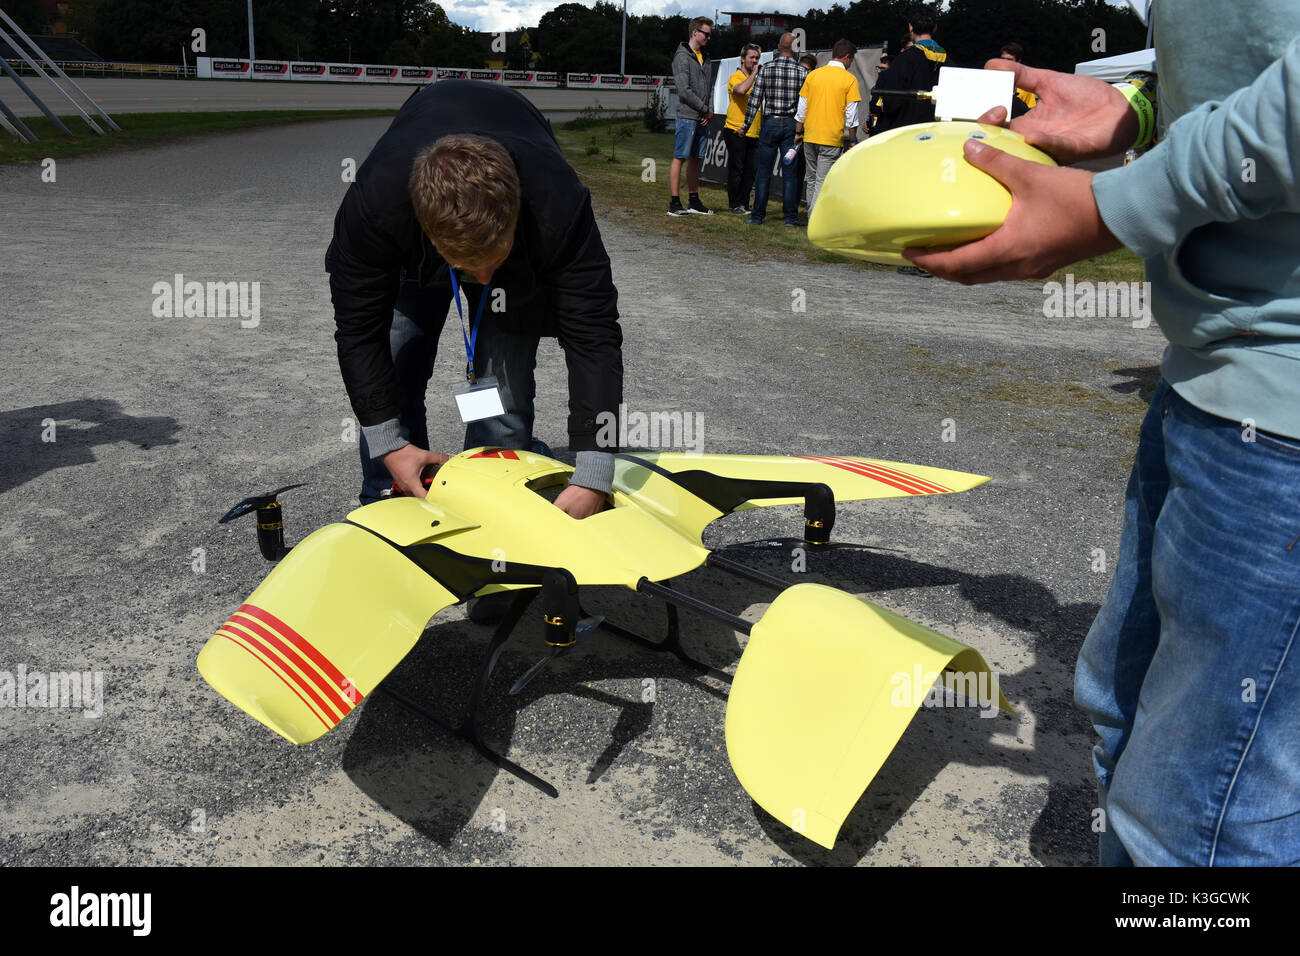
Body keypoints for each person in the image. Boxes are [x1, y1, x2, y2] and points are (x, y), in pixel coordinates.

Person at [904, 4, 1300, 866]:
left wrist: (1121, 206)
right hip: (1212, 370)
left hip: (1283, 417)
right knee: (1125, 718)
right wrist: (1142, 109)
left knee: (1203, 820)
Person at [326, 80, 623, 520]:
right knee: (396, 356)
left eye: (492, 260)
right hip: (413, 245)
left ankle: (493, 511)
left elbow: (593, 333)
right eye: (467, 266)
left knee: (504, 384)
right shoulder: (374, 208)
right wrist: (387, 441)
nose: (482, 279)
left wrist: (594, 473)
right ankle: (387, 497)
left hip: (519, 197)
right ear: (428, 232)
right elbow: (359, 331)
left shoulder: (558, 206)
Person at [740, 32, 809, 227]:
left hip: (769, 123)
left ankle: (757, 216)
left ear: (779, 47)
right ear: (795, 49)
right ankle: (791, 218)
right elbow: (805, 105)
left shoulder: (766, 69)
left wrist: (745, 126)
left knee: (763, 172)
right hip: (791, 125)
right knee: (790, 173)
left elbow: (755, 100)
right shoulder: (803, 72)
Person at [796, 38, 862, 212]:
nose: (851, 63)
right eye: (851, 60)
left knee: (811, 179)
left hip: (810, 135)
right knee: (821, 181)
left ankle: (811, 214)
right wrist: (853, 139)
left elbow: (802, 107)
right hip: (831, 138)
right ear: (847, 57)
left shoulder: (813, 75)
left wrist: (798, 131)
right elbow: (852, 115)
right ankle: (814, 219)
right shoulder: (850, 79)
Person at [668, 17, 715, 216]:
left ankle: (694, 201)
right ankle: (674, 203)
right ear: (695, 32)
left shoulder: (707, 57)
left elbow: (710, 88)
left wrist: (709, 109)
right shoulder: (681, 57)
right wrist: (704, 108)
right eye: (706, 33)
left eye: (710, 34)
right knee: (680, 157)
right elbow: (684, 91)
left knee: (696, 158)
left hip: (702, 115)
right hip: (688, 115)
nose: (708, 37)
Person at [874, 9, 946, 134]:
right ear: (935, 28)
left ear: (910, 27)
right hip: (937, 132)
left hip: (907, 132)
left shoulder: (903, 60)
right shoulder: (948, 61)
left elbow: (892, 104)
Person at [724, 43, 763, 214]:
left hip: (754, 131)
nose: (755, 61)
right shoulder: (736, 77)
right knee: (737, 168)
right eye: (751, 57)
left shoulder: (757, 79)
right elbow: (740, 91)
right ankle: (735, 203)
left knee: (751, 170)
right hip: (735, 129)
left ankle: (745, 203)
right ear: (742, 58)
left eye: (757, 58)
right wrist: (754, 74)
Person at [998, 42, 1036, 117]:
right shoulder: (992, 82)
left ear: (1018, 62)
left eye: (1009, 60)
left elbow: (1031, 112)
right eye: (1002, 59)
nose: (1005, 63)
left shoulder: (1026, 86)